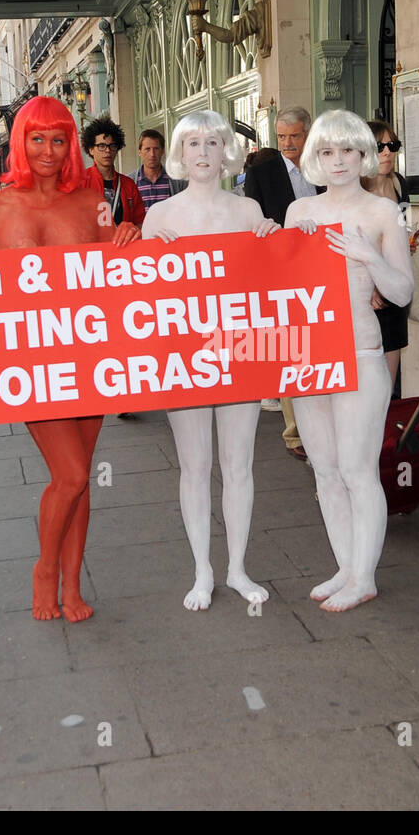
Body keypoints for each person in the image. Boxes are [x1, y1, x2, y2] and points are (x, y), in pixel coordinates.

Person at [0, 96, 139, 622]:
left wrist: (129, 239)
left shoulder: (94, 200)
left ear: (71, 146)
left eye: (58, 139)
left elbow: (118, 264)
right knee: (69, 475)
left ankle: (72, 584)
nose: (48, 150)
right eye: (37, 139)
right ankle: (45, 569)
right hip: (31, 363)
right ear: (20, 142)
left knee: (81, 475)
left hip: (90, 355)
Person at [141, 111, 279, 610]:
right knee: (195, 468)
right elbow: (141, 299)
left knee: (239, 465)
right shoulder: (160, 217)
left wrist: (275, 237)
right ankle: (203, 570)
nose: (203, 151)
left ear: (226, 152)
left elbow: (271, 285)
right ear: (181, 151)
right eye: (193, 142)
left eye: (213, 142)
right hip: (184, 357)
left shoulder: (247, 211)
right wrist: (149, 255)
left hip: (239, 350)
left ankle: (238, 567)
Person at [285, 109, 414, 611]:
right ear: (315, 158)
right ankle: (346, 566)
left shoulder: (382, 213)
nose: (337, 161)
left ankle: (365, 575)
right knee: (325, 469)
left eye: (347, 151)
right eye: (326, 152)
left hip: (361, 354)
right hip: (309, 356)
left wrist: (369, 256)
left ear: (363, 155)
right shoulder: (300, 214)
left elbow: (401, 292)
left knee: (359, 469)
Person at [244, 107, 324, 459]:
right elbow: (253, 221)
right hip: (283, 272)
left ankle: (320, 423)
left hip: (324, 270)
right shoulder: (262, 172)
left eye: (294, 136)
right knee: (293, 349)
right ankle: (296, 435)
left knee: (320, 347)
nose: (288, 143)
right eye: (281, 137)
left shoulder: (326, 165)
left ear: (308, 134)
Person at [362, 120, 411, 388]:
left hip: (393, 296)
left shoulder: (399, 185)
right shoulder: (354, 192)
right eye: (379, 146)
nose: (387, 152)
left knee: (388, 388)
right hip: (365, 299)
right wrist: (368, 287)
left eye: (392, 145)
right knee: (367, 386)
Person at [80, 115, 146, 228]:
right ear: (91, 150)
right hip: (92, 245)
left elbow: (140, 223)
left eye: (112, 146)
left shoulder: (128, 185)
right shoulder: (81, 182)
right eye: (101, 146)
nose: (108, 150)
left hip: (122, 244)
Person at [131, 129, 184, 209]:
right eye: (147, 149)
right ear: (139, 152)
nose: (152, 154)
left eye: (156, 149)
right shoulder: (130, 182)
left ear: (162, 151)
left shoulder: (176, 181)